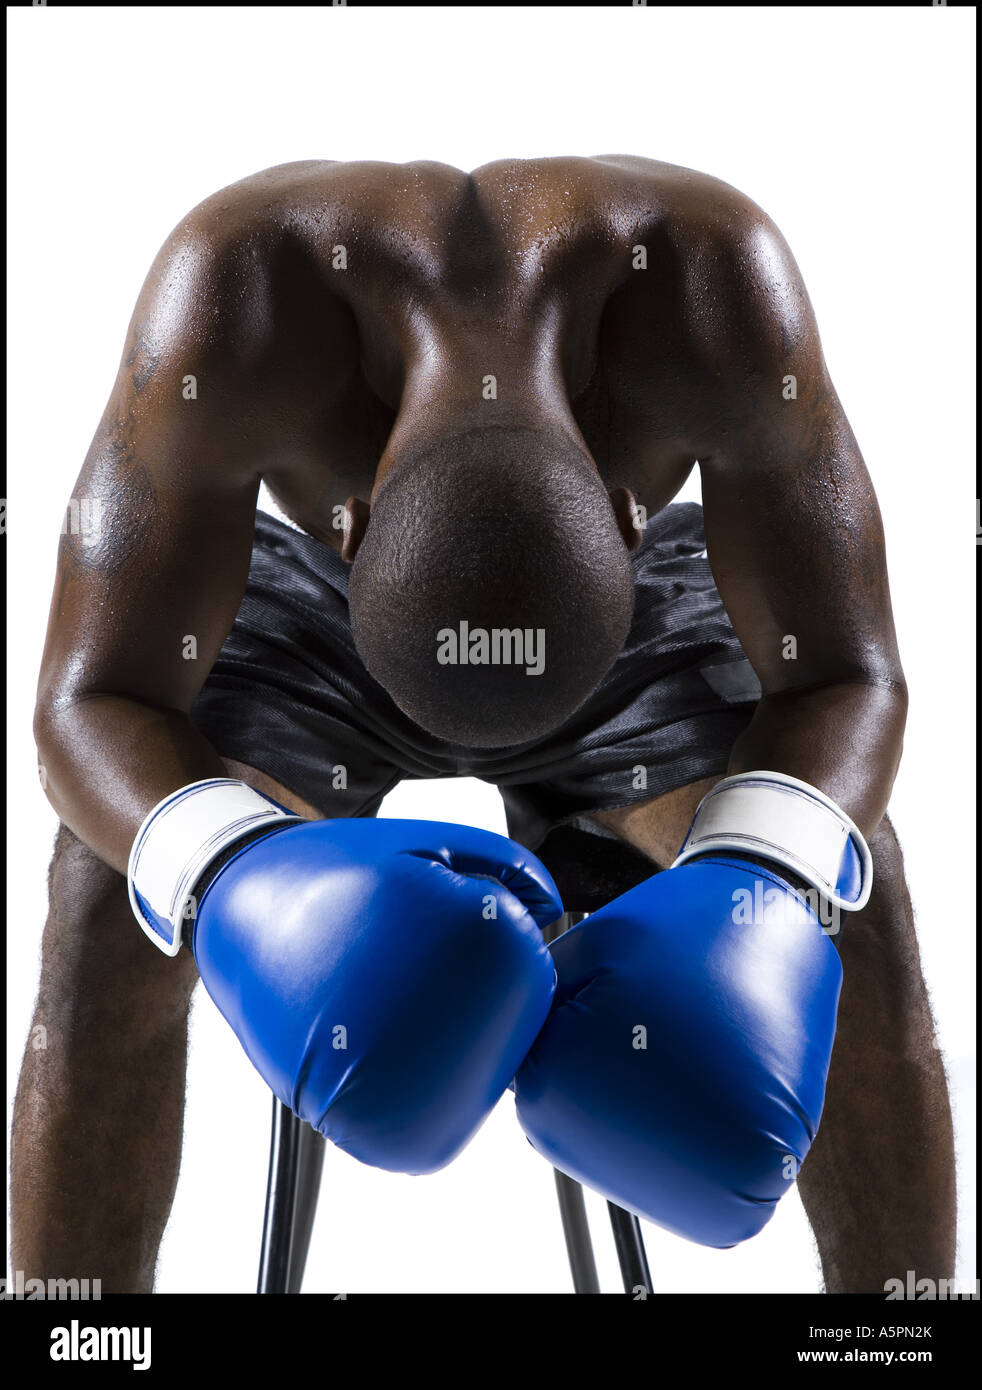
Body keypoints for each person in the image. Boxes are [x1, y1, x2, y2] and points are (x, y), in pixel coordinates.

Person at [16, 156, 954, 1292]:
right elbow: (88, 694)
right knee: (103, 889)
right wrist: (228, 868)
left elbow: (850, 671)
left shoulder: (714, 288)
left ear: (624, 514)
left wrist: (756, 860)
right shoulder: (237, 293)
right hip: (318, 628)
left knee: (854, 886)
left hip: (624, 639)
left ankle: (900, 1330)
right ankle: (80, 1332)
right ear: (349, 523)